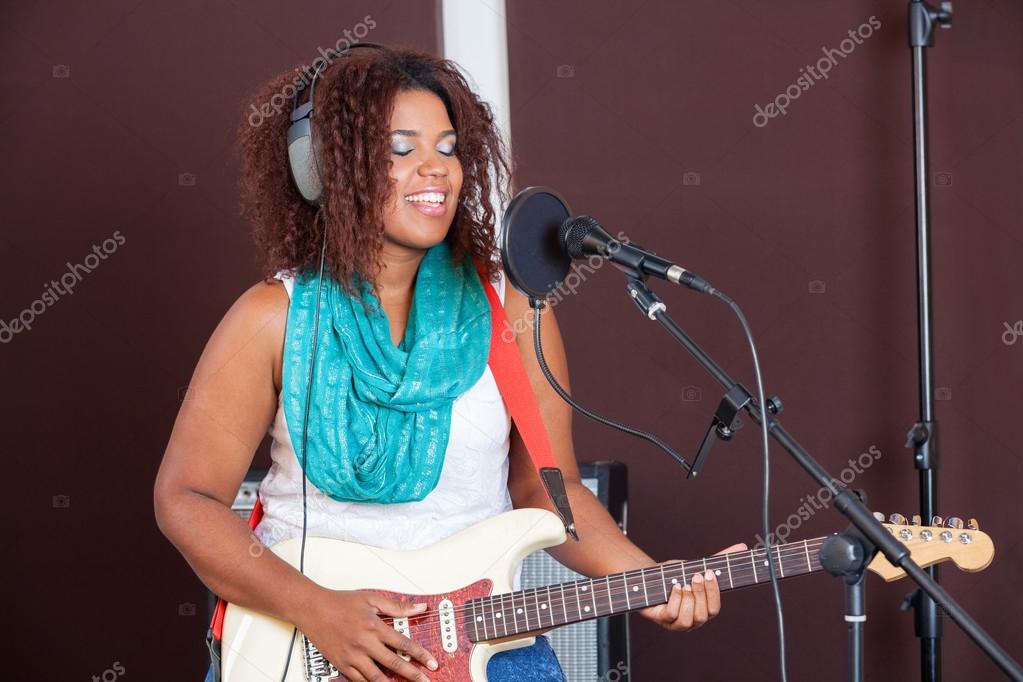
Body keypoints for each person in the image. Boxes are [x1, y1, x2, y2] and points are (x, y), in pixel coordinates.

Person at [154, 45, 744, 682]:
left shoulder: (513, 309)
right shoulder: (274, 317)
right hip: (304, 645)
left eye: (448, 147)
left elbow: (551, 492)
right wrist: (317, 609)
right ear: (326, 169)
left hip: (489, 647)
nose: (436, 170)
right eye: (402, 150)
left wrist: (650, 580)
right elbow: (186, 498)